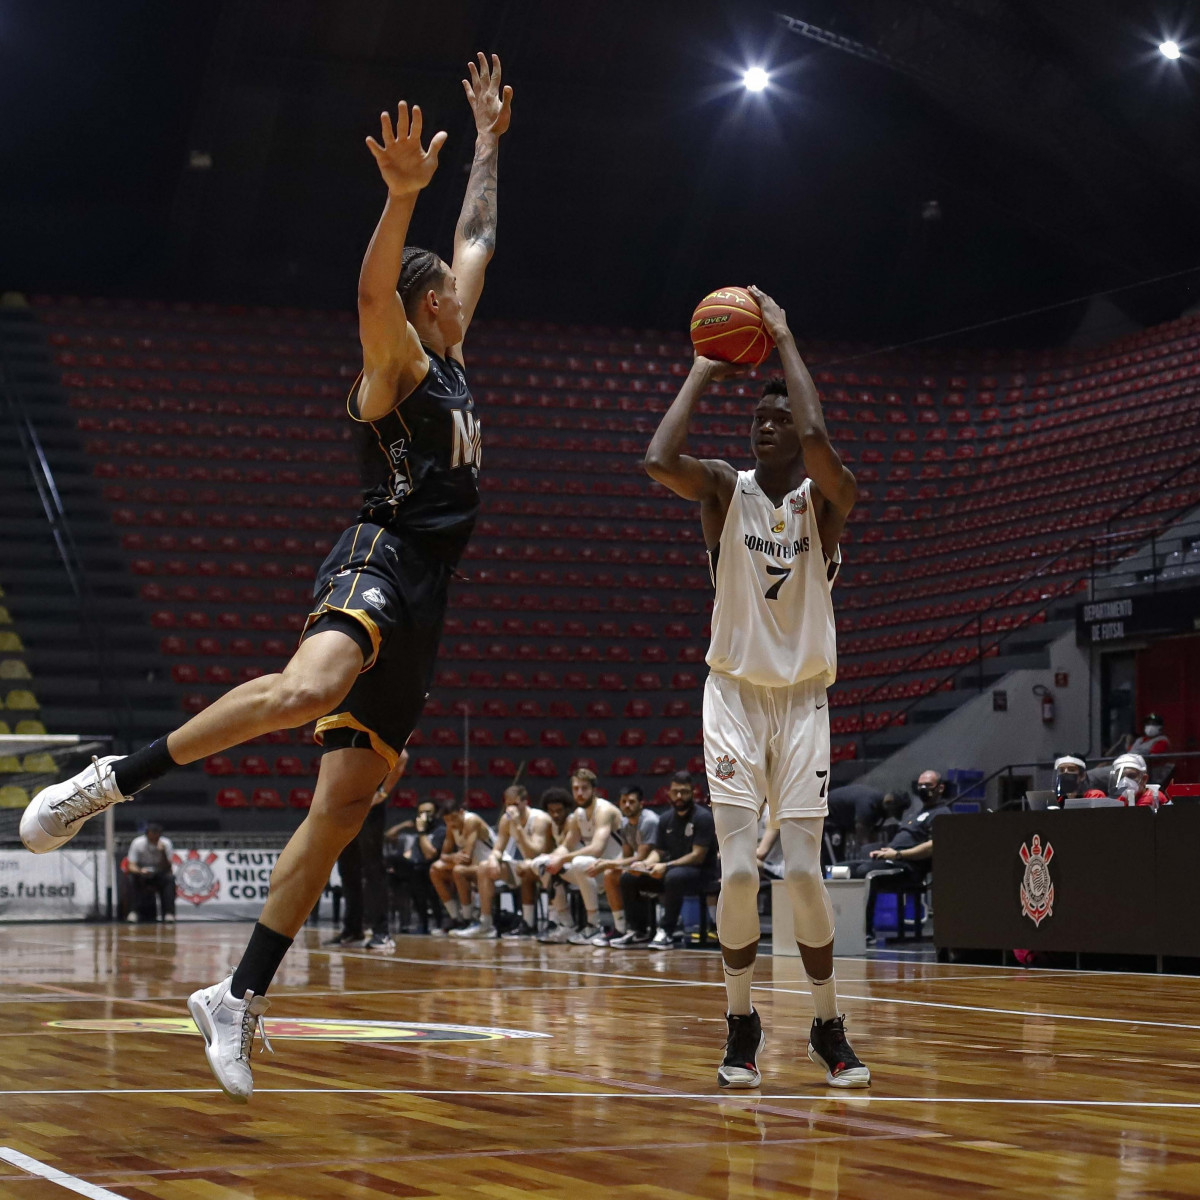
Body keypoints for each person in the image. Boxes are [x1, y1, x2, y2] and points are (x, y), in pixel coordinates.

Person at [20, 54, 512, 1101]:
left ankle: (234, 998)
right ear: (427, 312)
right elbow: (377, 284)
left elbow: (476, 238)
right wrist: (398, 199)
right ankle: (110, 779)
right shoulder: (401, 363)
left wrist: (489, 144)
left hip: (429, 595)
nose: (464, 301)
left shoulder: (454, 349)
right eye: (448, 300)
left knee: (344, 804)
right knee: (304, 691)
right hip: (378, 552)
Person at [644, 286, 870, 1089]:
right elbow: (656, 460)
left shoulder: (826, 500)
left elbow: (815, 433)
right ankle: (741, 1021)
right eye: (758, 419)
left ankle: (827, 1024)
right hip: (734, 696)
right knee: (740, 874)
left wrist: (782, 338)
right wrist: (706, 369)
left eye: (778, 419)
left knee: (803, 874)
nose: (768, 426)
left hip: (804, 697)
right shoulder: (722, 489)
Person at [847, 769, 952, 938]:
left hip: (909, 867)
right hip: (892, 860)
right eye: (920, 785)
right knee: (845, 869)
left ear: (940, 788)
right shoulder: (916, 813)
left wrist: (898, 855)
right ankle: (842, 927)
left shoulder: (942, 813)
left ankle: (863, 932)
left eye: (928, 785)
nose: (923, 789)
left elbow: (934, 846)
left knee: (867, 873)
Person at [618, 773, 716, 950]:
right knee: (629, 877)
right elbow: (659, 851)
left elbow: (697, 856)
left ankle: (667, 931)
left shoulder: (703, 818)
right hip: (672, 871)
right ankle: (638, 931)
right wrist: (646, 865)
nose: (679, 796)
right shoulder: (665, 819)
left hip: (702, 873)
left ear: (693, 792)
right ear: (668, 793)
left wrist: (666, 865)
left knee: (673, 876)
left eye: (684, 792)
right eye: (675, 792)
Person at [327, 750, 409, 950]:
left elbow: (402, 756)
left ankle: (381, 932)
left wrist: (383, 792)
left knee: (373, 868)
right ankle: (353, 930)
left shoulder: (371, 723)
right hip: (345, 803)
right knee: (348, 868)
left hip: (368, 803)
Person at [540, 768, 623, 944]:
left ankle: (594, 925)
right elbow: (566, 846)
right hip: (596, 871)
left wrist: (562, 858)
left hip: (617, 868)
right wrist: (551, 859)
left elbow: (596, 849)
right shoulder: (578, 814)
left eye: (584, 788)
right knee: (546, 865)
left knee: (579, 862)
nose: (579, 792)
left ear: (594, 789)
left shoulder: (604, 810)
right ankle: (564, 925)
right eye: (576, 788)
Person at [471, 784, 552, 939]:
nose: (511, 809)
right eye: (508, 805)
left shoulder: (539, 819)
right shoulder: (505, 820)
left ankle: (528, 923)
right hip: (519, 866)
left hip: (542, 867)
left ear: (525, 802)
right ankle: (486, 923)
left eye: (515, 804)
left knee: (526, 866)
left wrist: (518, 826)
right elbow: (498, 848)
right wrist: (493, 859)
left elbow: (533, 853)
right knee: (483, 867)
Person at [588, 784, 659, 946]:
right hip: (639, 866)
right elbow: (627, 855)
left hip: (656, 866)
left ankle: (637, 930)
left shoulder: (649, 821)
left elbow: (642, 856)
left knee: (625, 876)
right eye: (624, 801)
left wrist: (608, 863)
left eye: (631, 801)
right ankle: (620, 928)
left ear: (641, 804)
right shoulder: (625, 824)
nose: (627, 805)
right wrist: (611, 865)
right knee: (610, 875)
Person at [429, 797, 496, 934]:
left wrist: (451, 858)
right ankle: (456, 918)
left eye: (453, 818)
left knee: (459, 870)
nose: (450, 823)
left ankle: (468, 919)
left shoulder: (471, 821)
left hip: (490, 865)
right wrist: (453, 857)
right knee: (435, 869)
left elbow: (466, 858)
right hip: (474, 867)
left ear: (461, 812)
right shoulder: (451, 826)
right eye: (447, 820)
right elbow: (443, 855)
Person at [385, 797, 445, 933]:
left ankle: (435, 924)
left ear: (436, 813)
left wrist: (422, 832)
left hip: (431, 869)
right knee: (392, 864)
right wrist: (404, 825)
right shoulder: (418, 831)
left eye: (428, 812)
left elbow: (430, 854)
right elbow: (388, 836)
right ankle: (402, 922)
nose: (425, 816)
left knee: (418, 879)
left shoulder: (440, 831)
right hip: (415, 868)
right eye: (421, 812)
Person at [528, 787, 576, 937]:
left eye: (559, 810)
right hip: (564, 865)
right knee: (543, 868)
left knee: (547, 867)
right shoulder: (552, 825)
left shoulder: (572, 821)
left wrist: (549, 857)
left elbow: (565, 848)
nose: (555, 814)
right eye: (551, 810)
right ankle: (557, 920)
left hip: (578, 864)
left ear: (567, 809)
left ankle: (563, 922)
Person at [125, 824, 176, 924]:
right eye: (153, 832)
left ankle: (168, 913)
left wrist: (163, 853)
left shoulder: (166, 843)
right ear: (147, 833)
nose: (155, 835)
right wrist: (141, 871)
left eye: (157, 833)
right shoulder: (137, 843)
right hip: (142, 873)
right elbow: (131, 866)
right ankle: (133, 912)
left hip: (159, 874)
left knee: (170, 879)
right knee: (131, 878)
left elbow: (168, 867)